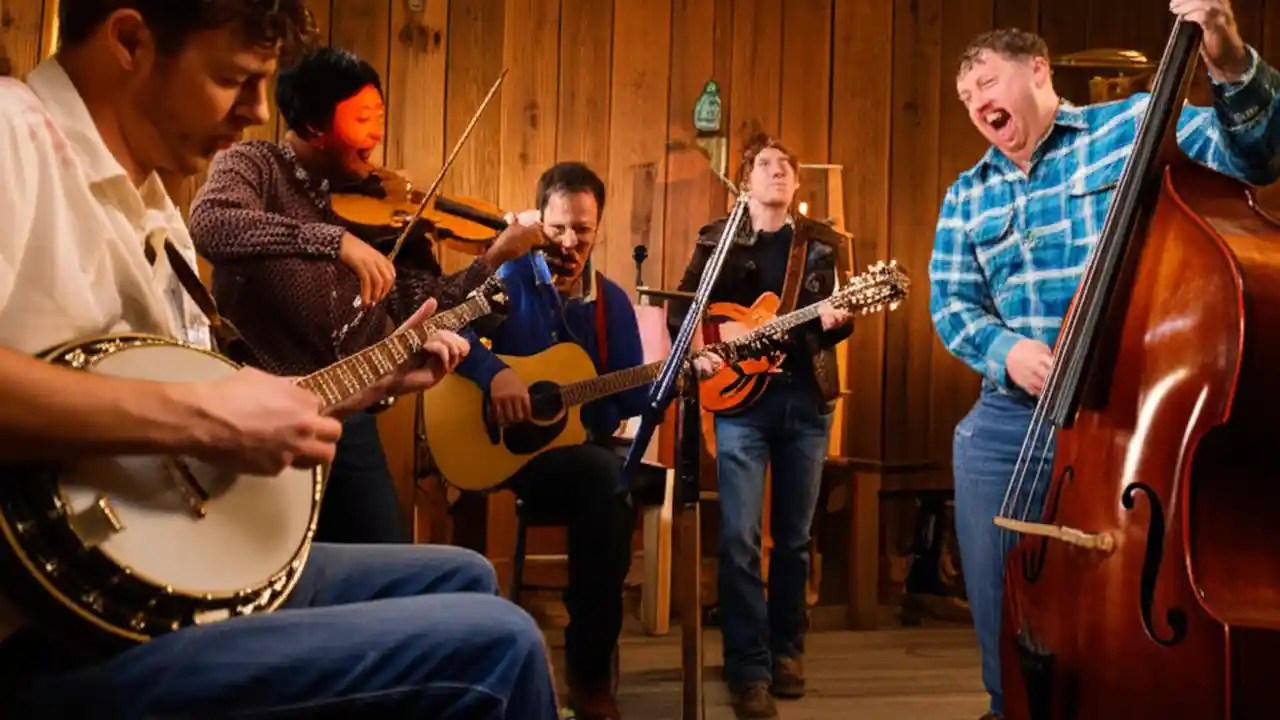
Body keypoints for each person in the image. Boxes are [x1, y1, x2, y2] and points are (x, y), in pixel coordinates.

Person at [0, 2, 558, 718]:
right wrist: (197, 414)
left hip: (163, 562)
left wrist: (368, 380)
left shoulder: (153, 210)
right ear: (130, 40)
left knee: (465, 576)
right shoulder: (16, 137)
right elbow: (197, 405)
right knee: (501, 641)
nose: (259, 109)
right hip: (50, 627)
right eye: (232, 77)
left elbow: (204, 404)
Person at [928, 3, 1280, 718]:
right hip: (1012, 415)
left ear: (1038, 70)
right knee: (1005, 611)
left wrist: (1227, 58)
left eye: (986, 83)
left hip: (1129, 408)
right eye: (965, 98)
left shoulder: (1133, 126)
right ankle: (1008, 703)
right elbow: (952, 305)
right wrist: (1007, 351)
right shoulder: (967, 194)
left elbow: (1255, 154)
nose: (975, 104)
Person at [188, 46, 543, 545]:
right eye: (362, 119)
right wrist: (334, 241)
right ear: (314, 125)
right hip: (260, 410)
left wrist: (494, 258)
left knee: (388, 559)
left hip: (351, 416)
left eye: (379, 117)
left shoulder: (385, 205)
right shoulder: (257, 165)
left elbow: (429, 305)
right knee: (266, 562)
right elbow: (213, 224)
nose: (376, 134)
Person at [667, 133, 855, 720]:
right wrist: (709, 347)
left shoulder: (823, 244)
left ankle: (787, 653)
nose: (778, 171)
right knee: (740, 539)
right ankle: (748, 669)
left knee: (794, 539)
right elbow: (681, 310)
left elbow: (839, 321)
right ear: (745, 181)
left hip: (806, 401)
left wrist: (839, 319)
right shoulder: (716, 239)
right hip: (740, 406)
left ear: (796, 183)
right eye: (766, 164)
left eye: (786, 166)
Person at [452, 161, 645, 720]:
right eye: (558, 228)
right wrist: (494, 374)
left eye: (582, 230)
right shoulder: (509, 279)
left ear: (598, 229)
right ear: (539, 223)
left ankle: (589, 672)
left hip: (578, 458)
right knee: (605, 479)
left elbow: (629, 398)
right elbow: (450, 323)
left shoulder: (610, 304)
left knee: (613, 486)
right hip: (502, 453)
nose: (569, 242)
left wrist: (673, 379)